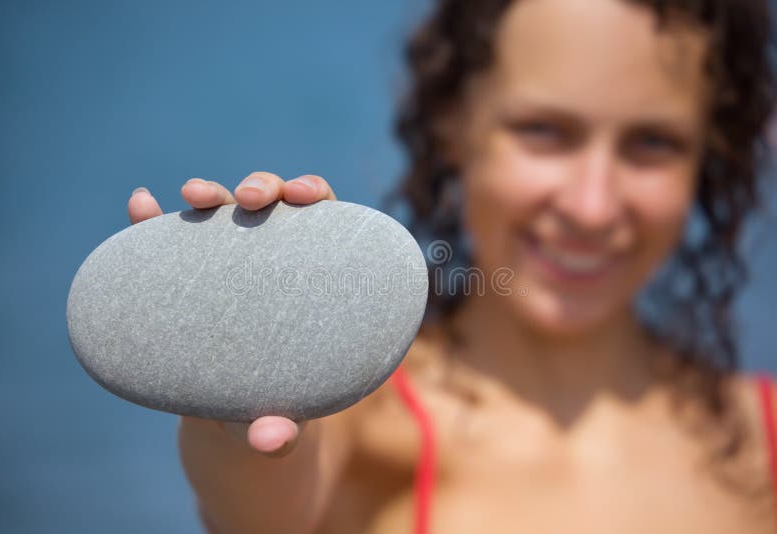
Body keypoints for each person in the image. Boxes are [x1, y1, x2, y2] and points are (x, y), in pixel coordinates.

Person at [126, 0, 777, 532]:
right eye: (544, 131)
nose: (592, 205)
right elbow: (258, 506)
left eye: (652, 143)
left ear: (711, 158)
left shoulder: (764, 444)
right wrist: (236, 409)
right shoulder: (362, 415)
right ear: (451, 124)